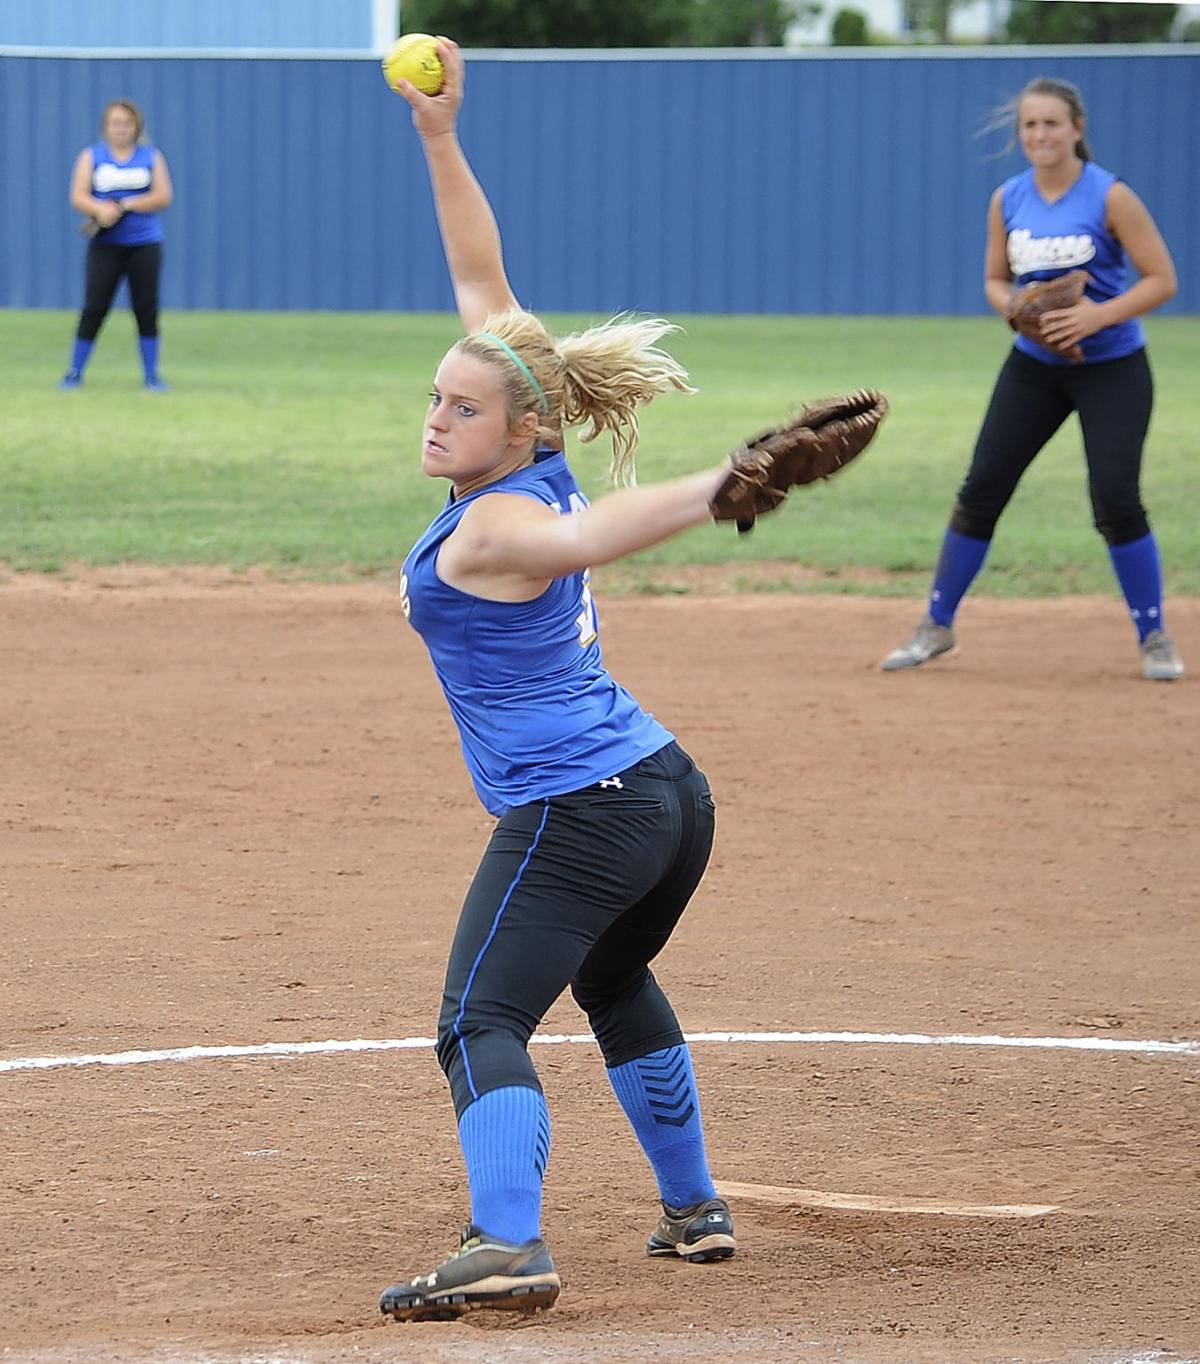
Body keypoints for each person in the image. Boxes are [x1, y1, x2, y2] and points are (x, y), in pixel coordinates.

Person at [377, 40, 745, 1323]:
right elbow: (483, 278)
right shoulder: (528, 456)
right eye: (435, 396)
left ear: (523, 426)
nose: (438, 416)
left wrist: (724, 485)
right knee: (614, 979)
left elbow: (586, 543)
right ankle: (695, 1209)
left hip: (582, 808)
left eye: (461, 409)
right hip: (663, 790)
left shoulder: (494, 527)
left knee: (478, 1018)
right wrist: (439, 136)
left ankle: (507, 1240)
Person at [881, 76, 1183, 682]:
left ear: (1077, 129)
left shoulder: (1109, 195)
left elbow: (1161, 279)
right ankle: (936, 626)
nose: (1040, 134)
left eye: (1051, 123)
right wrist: (1014, 307)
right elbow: (995, 279)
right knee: (982, 488)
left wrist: (1096, 314)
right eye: (1030, 125)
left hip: (1112, 367)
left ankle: (1154, 636)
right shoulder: (1009, 198)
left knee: (1116, 498)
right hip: (1036, 366)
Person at [59, 98, 174, 392]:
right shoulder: (92, 156)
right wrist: (100, 210)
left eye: (127, 123)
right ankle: (74, 374)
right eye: (115, 123)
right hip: (105, 245)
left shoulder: (150, 156)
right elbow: (78, 195)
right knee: (95, 308)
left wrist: (127, 203)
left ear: (136, 126)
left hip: (144, 244)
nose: (121, 128)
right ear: (106, 127)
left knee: (145, 309)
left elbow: (163, 195)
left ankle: (152, 377)